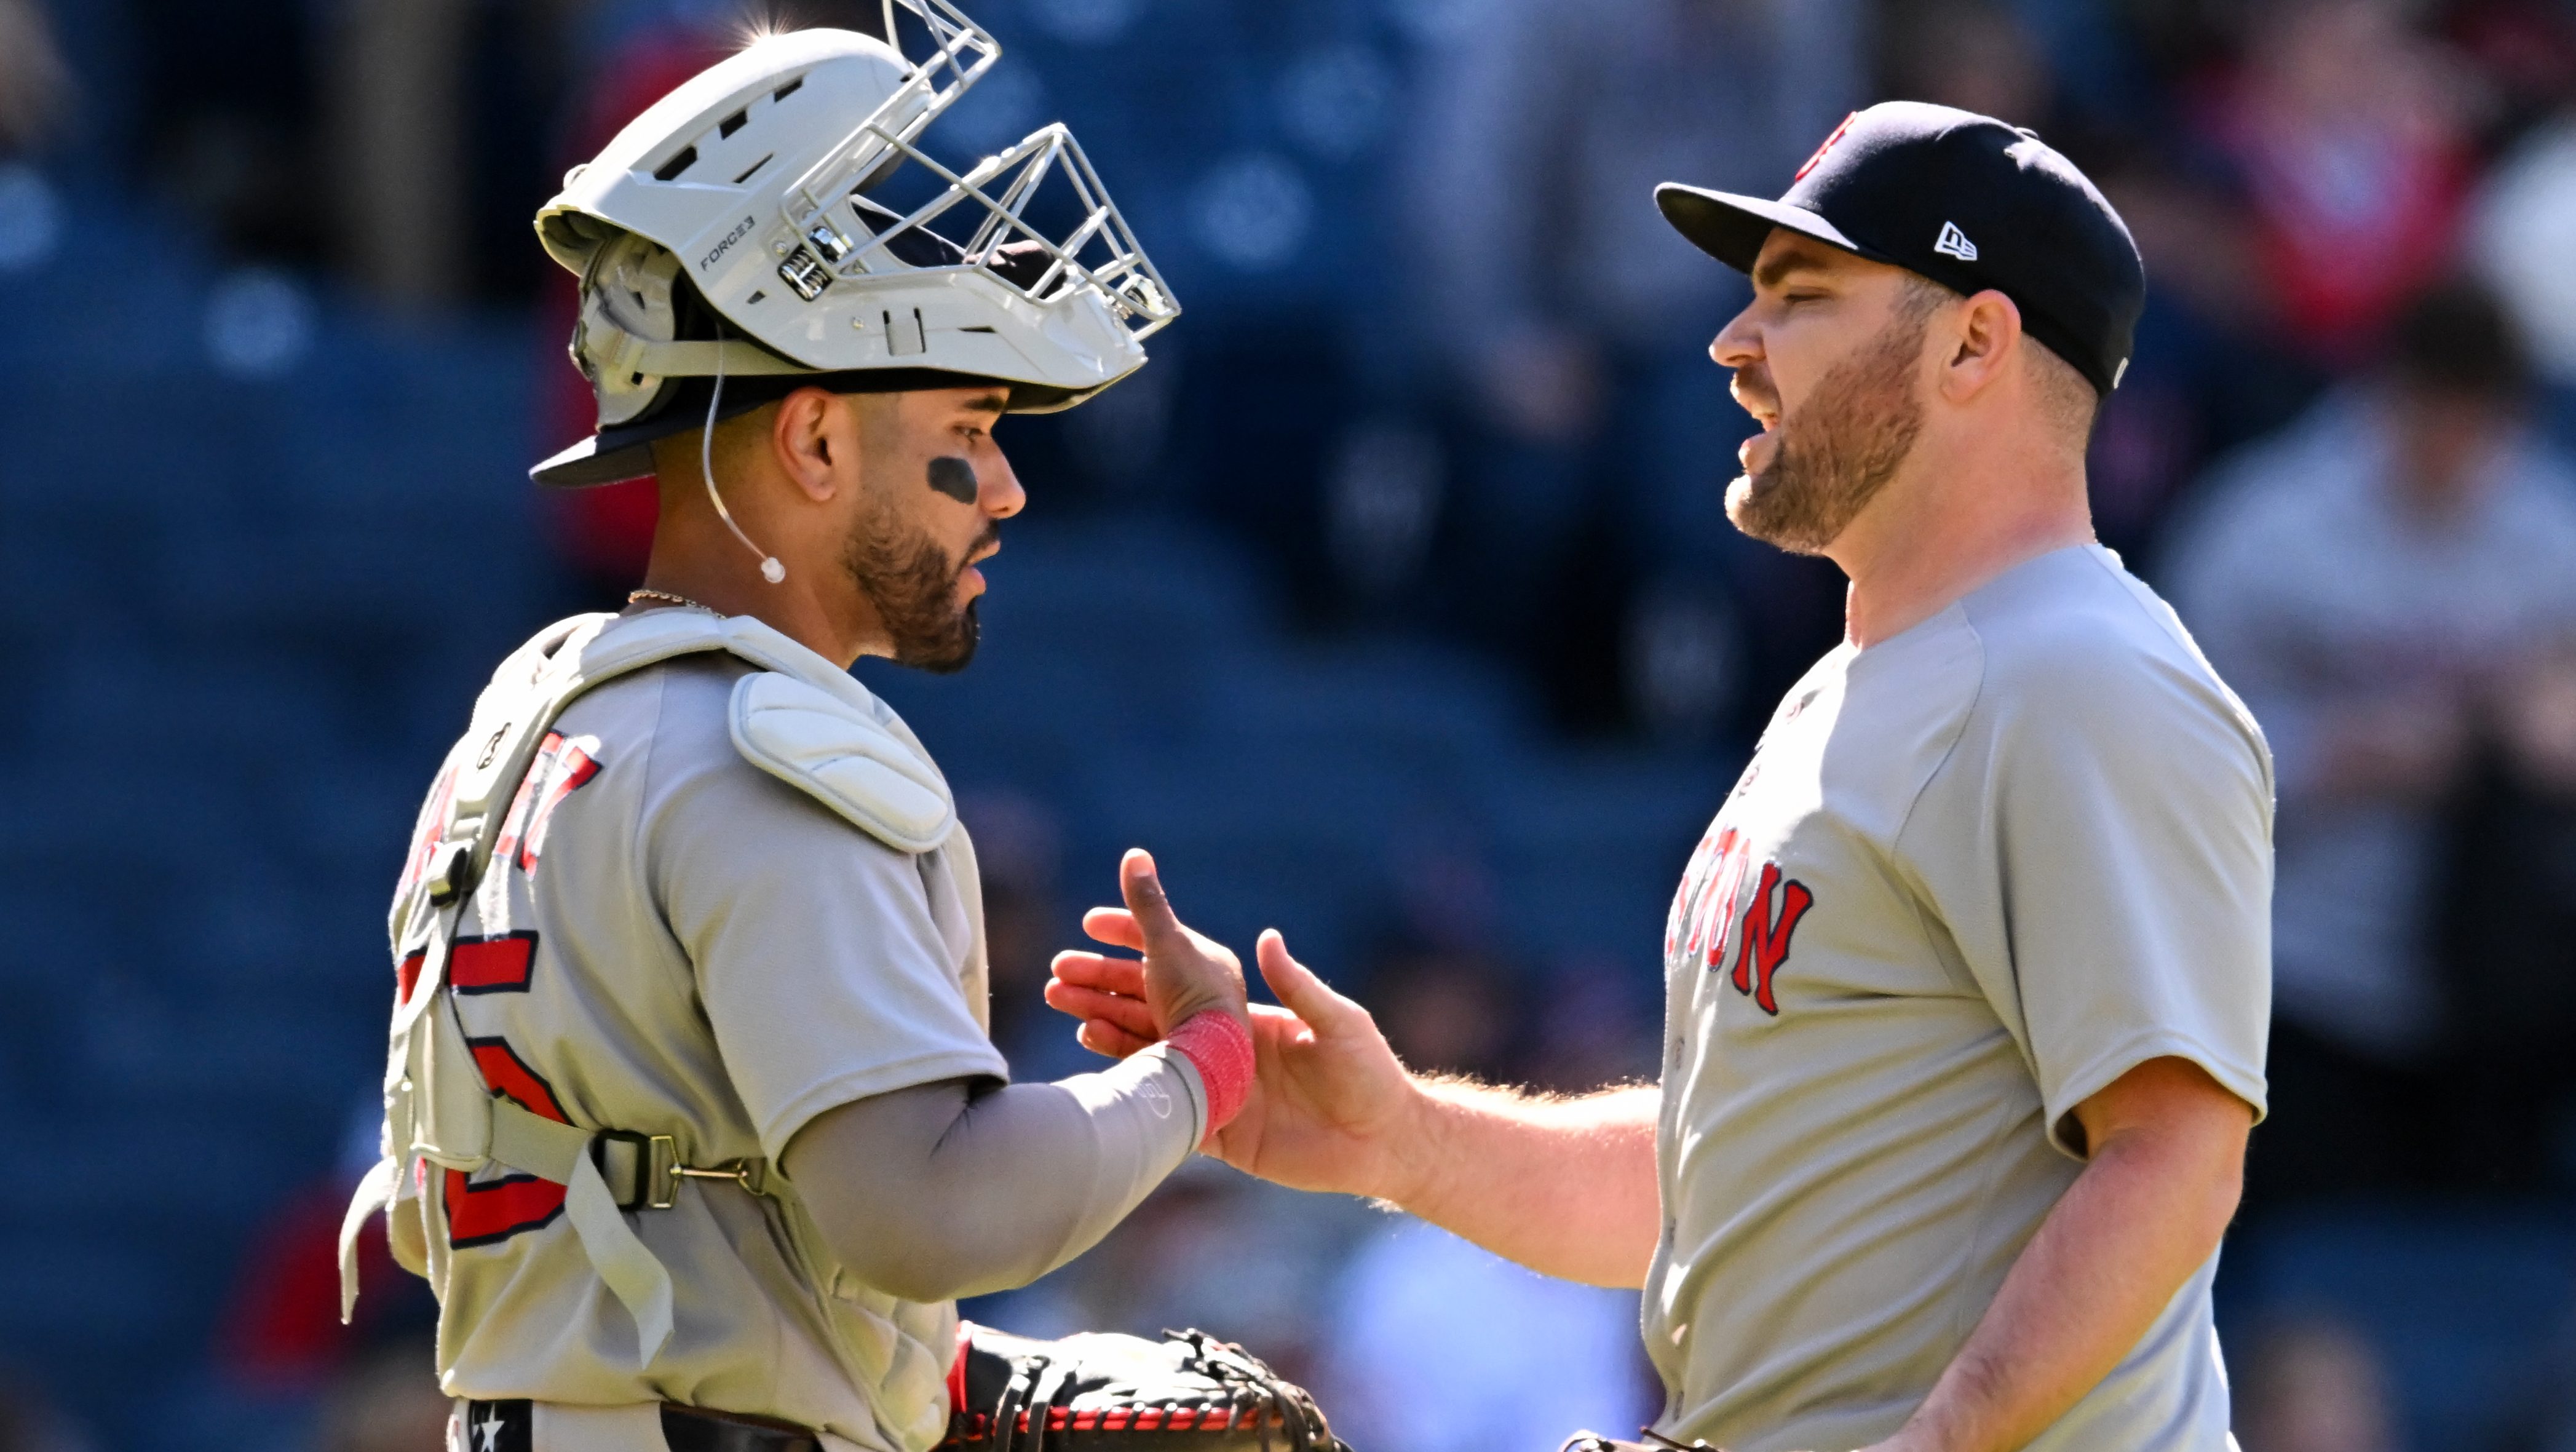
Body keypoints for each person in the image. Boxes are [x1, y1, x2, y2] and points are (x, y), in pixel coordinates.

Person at [1055, 103, 2273, 1452]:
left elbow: (2173, 1154)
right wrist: (1401, 1136)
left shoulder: (2082, 677)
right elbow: (1721, 1177)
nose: (1733, 346)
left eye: (1800, 296)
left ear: (1973, 341)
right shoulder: (1851, 687)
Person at [339, 17, 1260, 1452]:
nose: (1005, 489)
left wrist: (946, 1380)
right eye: (971, 421)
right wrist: (1200, 1068)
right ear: (818, 443)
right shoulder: (772, 753)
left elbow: (674, 1222)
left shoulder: (530, 719)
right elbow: (925, 1206)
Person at [2168, 277, 2576, 1208]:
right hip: (2295, 966)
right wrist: (2333, 756)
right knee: (2312, 1259)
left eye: (2477, 422)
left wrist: (2521, 732)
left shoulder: (2550, 532)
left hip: (2489, 980)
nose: (2452, 448)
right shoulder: (2261, 525)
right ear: (2388, 393)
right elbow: (2154, 759)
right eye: (2434, 415)